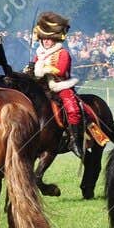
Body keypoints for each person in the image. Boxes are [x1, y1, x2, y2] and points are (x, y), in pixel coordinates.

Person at [29, 10, 86, 159]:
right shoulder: (39, 54)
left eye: (49, 38)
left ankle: (74, 140)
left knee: (72, 108)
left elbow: (60, 71)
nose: (46, 41)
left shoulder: (63, 53)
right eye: (44, 38)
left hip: (60, 86)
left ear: (55, 39)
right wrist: (30, 70)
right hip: (42, 88)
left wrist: (42, 70)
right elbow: (34, 70)